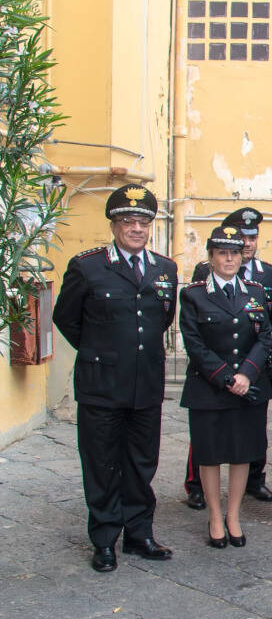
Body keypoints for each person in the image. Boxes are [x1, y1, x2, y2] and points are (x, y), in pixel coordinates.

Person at [52, 184, 178, 572]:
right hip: (101, 386)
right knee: (102, 463)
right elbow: (66, 318)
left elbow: (163, 317)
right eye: (128, 221)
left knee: (142, 462)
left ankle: (139, 534)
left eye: (143, 221)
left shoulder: (164, 268)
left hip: (145, 384)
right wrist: (100, 353)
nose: (136, 228)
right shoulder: (88, 266)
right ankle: (105, 538)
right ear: (114, 225)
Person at [178, 226, 272, 548]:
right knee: (209, 455)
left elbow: (263, 338)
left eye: (235, 252)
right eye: (222, 253)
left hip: (248, 387)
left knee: (240, 453)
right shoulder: (193, 294)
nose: (229, 258)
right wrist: (226, 378)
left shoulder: (256, 291)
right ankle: (215, 516)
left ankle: (233, 515)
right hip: (209, 387)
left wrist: (247, 373)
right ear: (211, 257)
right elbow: (193, 343)